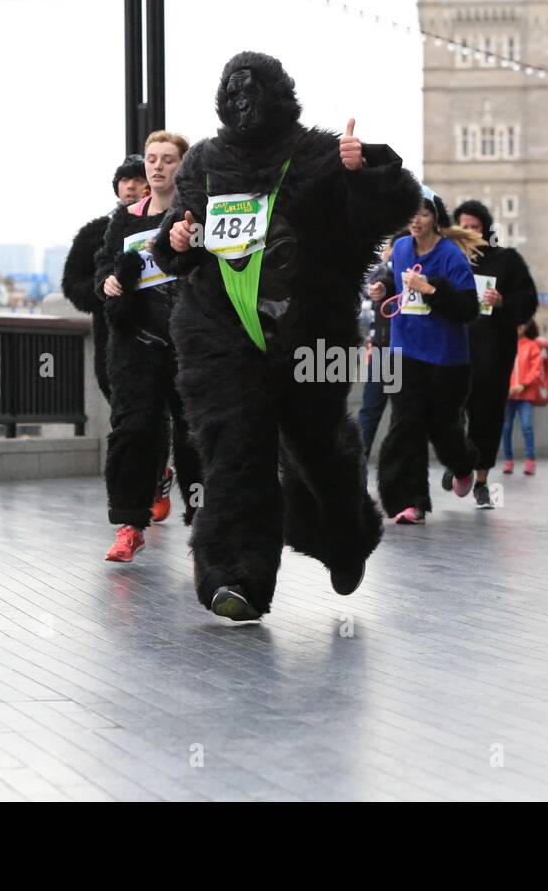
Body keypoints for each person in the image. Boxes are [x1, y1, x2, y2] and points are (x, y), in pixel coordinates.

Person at [157, 51, 421, 622]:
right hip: (220, 332)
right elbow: (176, 237)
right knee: (235, 453)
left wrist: (369, 164)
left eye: (255, 93)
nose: (245, 103)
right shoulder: (203, 160)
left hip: (311, 332)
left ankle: (345, 541)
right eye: (235, 93)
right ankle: (235, 578)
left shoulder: (320, 153)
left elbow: (400, 203)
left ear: (280, 96)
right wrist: (176, 239)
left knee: (319, 450)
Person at [93, 133, 203, 561]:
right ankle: (129, 524)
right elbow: (101, 268)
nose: (156, 167)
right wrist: (108, 282)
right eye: (152, 159)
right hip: (135, 342)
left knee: (195, 433)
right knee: (133, 430)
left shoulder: (195, 213)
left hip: (187, 341)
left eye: (167, 160)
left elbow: (214, 266)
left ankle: (204, 522)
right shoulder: (124, 219)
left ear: (182, 165)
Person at [374, 190, 483, 524]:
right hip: (404, 350)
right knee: (405, 426)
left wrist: (432, 290)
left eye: (422, 214)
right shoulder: (402, 247)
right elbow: (396, 280)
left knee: (443, 429)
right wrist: (383, 285)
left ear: (435, 217)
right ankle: (410, 502)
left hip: (446, 359)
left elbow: (469, 309)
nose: (415, 220)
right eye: (410, 214)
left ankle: (464, 464)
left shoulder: (451, 257)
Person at [441, 199, 539, 506]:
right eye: (463, 227)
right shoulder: (444, 258)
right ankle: (458, 463)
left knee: (488, 417)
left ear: (486, 229)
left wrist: (503, 302)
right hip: (451, 351)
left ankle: (481, 480)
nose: (469, 232)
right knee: (448, 414)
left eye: (475, 227)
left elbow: (529, 302)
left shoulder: (507, 261)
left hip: (493, 355)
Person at [358, 232, 406, 458]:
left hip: (407, 353)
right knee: (370, 411)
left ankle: (396, 472)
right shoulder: (378, 275)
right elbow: (364, 313)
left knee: (402, 416)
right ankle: (357, 468)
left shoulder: (417, 275)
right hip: (381, 351)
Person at [502, 320, 547, 477]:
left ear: (527, 326)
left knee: (527, 426)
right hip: (508, 395)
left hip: (525, 394)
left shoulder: (532, 345)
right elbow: (499, 367)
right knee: (506, 427)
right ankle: (508, 460)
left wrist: (523, 385)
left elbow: (536, 370)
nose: (518, 327)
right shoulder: (504, 344)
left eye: (521, 324)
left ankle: (530, 460)